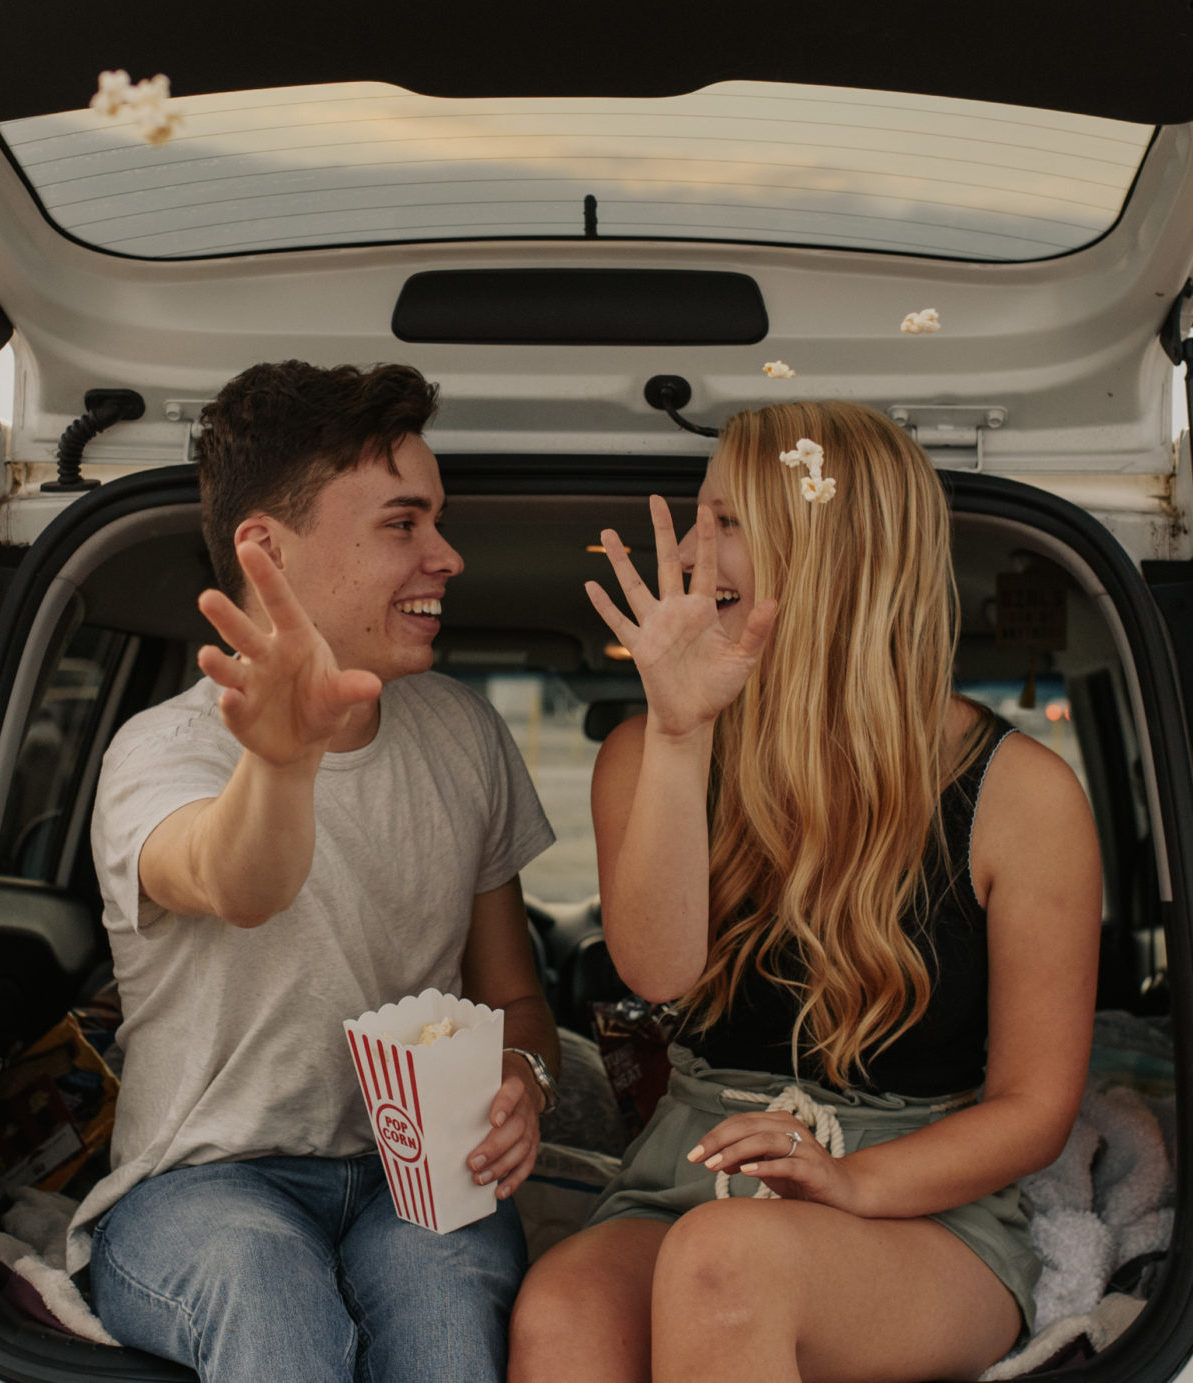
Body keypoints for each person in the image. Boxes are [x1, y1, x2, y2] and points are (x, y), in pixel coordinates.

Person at [510, 401, 1101, 1383]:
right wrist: (674, 733)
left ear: (830, 547)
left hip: (920, 1200)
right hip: (688, 1167)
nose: (694, 551)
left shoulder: (1020, 795)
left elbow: (1033, 1105)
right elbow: (656, 969)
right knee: (560, 1311)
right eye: (698, 519)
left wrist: (852, 1179)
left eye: (727, 521)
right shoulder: (643, 751)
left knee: (725, 1266)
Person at [78, 361, 560, 1383]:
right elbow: (234, 877)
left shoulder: (462, 733)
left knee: (444, 1305)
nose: (447, 554)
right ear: (267, 550)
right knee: (265, 1282)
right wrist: (283, 756)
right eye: (403, 523)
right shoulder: (160, 753)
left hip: (411, 1173)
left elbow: (511, 993)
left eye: (436, 521)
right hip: (196, 1188)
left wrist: (525, 1075)